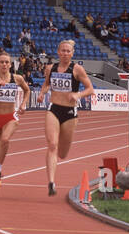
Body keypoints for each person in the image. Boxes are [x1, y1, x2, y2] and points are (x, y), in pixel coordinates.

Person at [39, 39, 95, 196]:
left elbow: (90, 89)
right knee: (52, 144)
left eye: (67, 51)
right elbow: (46, 84)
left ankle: (55, 166)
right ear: (58, 52)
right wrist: (43, 92)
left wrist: (78, 94)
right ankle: (51, 182)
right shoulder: (51, 68)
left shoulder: (77, 70)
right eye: (62, 50)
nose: (65, 53)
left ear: (72, 53)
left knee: (62, 153)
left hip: (70, 113)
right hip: (53, 109)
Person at [0, 51, 32, 190]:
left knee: (5, 140)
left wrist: (23, 104)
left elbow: (27, 91)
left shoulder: (17, 78)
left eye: (6, 62)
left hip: (10, 117)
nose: (4, 64)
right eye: (1, 62)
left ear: (10, 64)